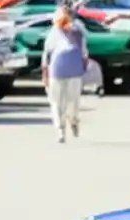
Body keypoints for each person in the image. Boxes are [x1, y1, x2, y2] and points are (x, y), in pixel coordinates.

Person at [41, 4, 88, 143]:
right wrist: (45, 72)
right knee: (57, 102)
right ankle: (60, 129)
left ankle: (73, 121)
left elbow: (84, 52)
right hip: (57, 71)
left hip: (73, 71)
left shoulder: (78, 31)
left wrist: (83, 67)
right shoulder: (54, 32)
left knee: (72, 102)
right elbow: (47, 53)